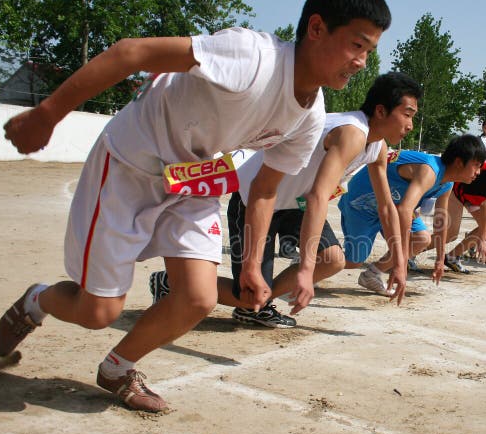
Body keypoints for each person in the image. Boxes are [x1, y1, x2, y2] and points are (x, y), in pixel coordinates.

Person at [0, 0, 391, 412]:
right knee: (98, 313)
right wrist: (48, 114)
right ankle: (37, 300)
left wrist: (250, 268)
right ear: (317, 28)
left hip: (193, 182)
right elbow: (134, 52)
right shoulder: (253, 56)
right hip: (130, 164)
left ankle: (118, 367)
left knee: (199, 297)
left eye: (369, 51)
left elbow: (262, 191)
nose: (361, 61)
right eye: (357, 44)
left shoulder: (310, 117)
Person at [149, 72, 421, 327]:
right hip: (256, 199)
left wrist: (399, 263)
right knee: (248, 294)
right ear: (381, 110)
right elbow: (318, 196)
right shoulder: (351, 133)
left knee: (333, 259)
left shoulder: (378, 146)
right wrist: (304, 269)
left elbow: (386, 207)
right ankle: (171, 283)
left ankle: (259, 303)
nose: (410, 125)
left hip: (294, 205)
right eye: (406, 114)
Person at [339, 134, 485, 293]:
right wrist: (399, 264)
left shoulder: (447, 183)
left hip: (391, 206)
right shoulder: (430, 170)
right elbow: (405, 210)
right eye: (476, 165)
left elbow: (440, 220)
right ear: (458, 162)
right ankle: (314, 264)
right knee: (353, 261)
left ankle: (372, 275)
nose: (479, 172)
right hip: (362, 202)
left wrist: (439, 259)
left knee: (421, 238)